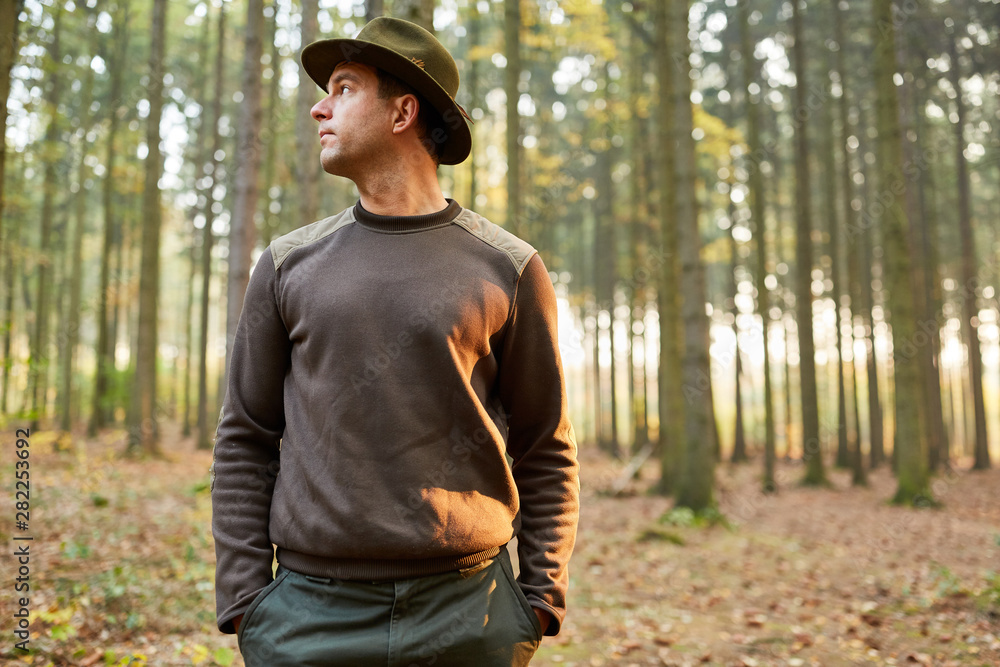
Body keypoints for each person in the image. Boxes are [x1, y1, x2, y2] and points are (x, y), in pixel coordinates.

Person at [210, 16, 580, 667]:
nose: (319, 108)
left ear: (403, 111)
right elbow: (245, 435)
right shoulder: (288, 265)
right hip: (306, 619)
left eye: (344, 88)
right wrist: (246, 600)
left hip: (470, 615)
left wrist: (539, 597)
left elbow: (545, 443)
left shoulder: (509, 267)